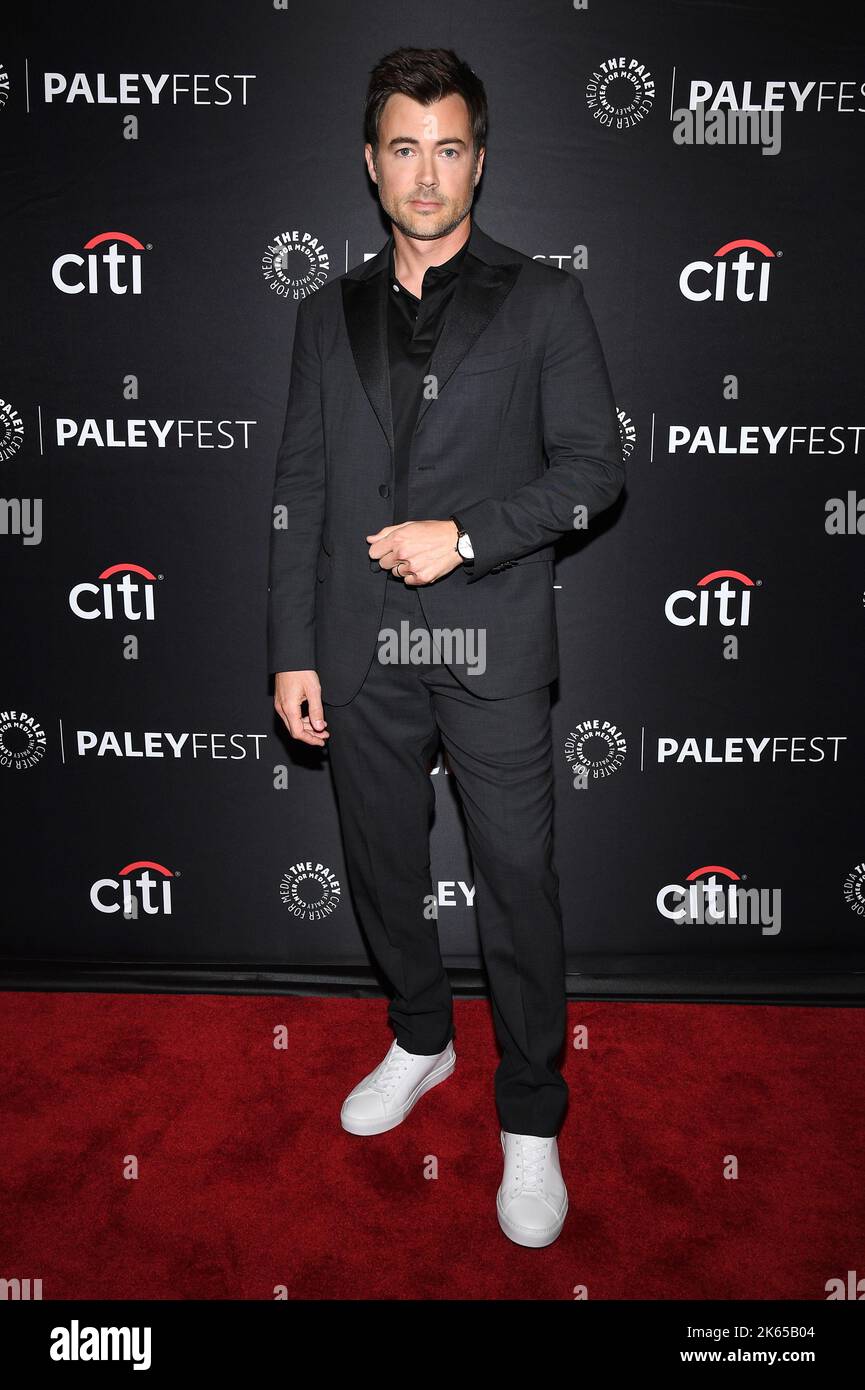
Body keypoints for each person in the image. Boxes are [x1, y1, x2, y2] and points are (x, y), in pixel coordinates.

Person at [267, 45, 624, 1248]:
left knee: (515, 882)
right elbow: (301, 489)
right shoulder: (324, 313)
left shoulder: (544, 299)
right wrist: (291, 647)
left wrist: (465, 537)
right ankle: (421, 1036)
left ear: (480, 161)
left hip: (490, 641)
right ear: (371, 165)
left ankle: (530, 1116)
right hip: (356, 647)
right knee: (381, 866)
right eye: (405, 148)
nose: (427, 175)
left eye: (450, 148)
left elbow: (594, 471)